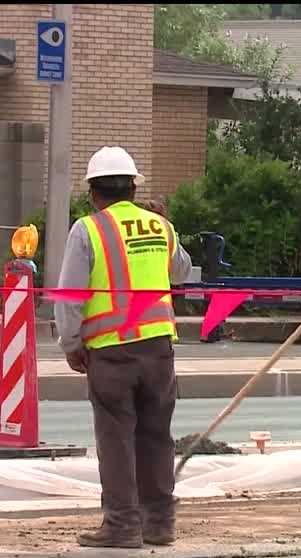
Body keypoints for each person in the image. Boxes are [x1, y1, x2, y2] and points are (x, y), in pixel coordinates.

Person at [55, 146, 192, 548]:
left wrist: (71, 343)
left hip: (111, 353)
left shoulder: (88, 229)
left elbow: (69, 297)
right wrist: (165, 226)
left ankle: (122, 525)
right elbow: (181, 272)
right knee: (156, 437)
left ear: (93, 193)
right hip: (158, 350)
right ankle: (160, 523)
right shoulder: (159, 226)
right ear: (133, 188)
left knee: (116, 439)